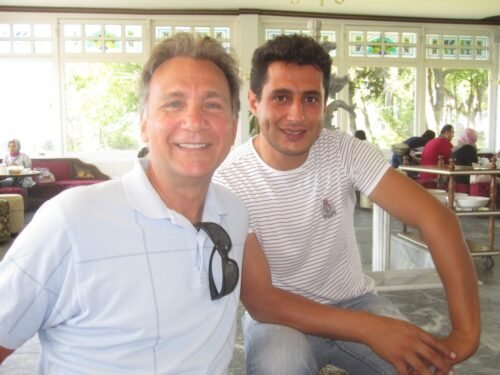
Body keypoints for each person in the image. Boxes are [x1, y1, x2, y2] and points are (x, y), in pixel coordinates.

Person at [214, 34, 480, 375]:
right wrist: (372, 329)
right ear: (254, 101)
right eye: (281, 97)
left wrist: (466, 335)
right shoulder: (230, 181)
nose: (296, 115)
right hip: (281, 318)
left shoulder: (343, 151)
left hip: (355, 301)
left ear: (324, 103)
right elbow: (263, 301)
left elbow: (437, 219)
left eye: (310, 99)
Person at [0, 33, 248, 374]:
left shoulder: (234, 213)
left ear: (233, 126)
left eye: (213, 104)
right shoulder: (72, 221)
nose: (194, 121)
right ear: (144, 124)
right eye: (173, 103)